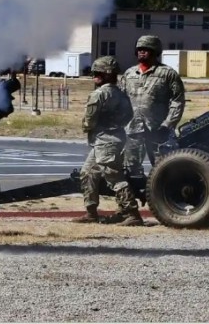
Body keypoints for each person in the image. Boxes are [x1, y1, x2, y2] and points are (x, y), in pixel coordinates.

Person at [74, 55, 139, 225]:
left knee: (114, 177)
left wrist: (87, 127)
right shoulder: (121, 95)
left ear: (107, 74)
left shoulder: (99, 94)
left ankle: (132, 213)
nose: (94, 76)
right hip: (112, 139)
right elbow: (129, 116)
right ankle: (91, 212)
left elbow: (89, 121)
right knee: (88, 172)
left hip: (105, 141)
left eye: (98, 73)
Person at [119, 34, 186, 179]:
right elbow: (121, 100)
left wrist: (168, 124)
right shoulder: (129, 74)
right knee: (130, 172)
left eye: (146, 49)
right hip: (133, 131)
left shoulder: (167, 74)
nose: (142, 52)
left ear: (155, 52)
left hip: (158, 131)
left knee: (164, 171)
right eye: (139, 49)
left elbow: (178, 101)